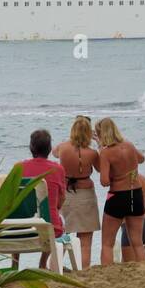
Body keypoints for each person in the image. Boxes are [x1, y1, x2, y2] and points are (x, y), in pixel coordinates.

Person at [95, 117, 145, 266]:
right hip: (135, 194)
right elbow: (142, 159)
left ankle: (107, 273)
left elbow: (104, 181)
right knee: (137, 242)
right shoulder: (129, 145)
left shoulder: (106, 153)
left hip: (117, 196)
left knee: (107, 243)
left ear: (101, 134)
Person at [54, 115, 100, 269]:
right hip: (85, 193)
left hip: (66, 194)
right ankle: (83, 270)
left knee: (62, 234)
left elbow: (54, 152)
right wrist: (98, 143)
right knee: (85, 239)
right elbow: (101, 169)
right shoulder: (92, 153)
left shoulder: (62, 148)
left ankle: (56, 265)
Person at [18, 129, 67, 269]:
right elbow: (61, 200)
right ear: (50, 149)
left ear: (31, 147)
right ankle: (43, 263)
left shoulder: (18, 168)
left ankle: (14, 264)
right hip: (50, 228)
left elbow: (12, 200)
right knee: (55, 218)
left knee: (18, 216)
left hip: (21, 228)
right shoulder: (57, 169)